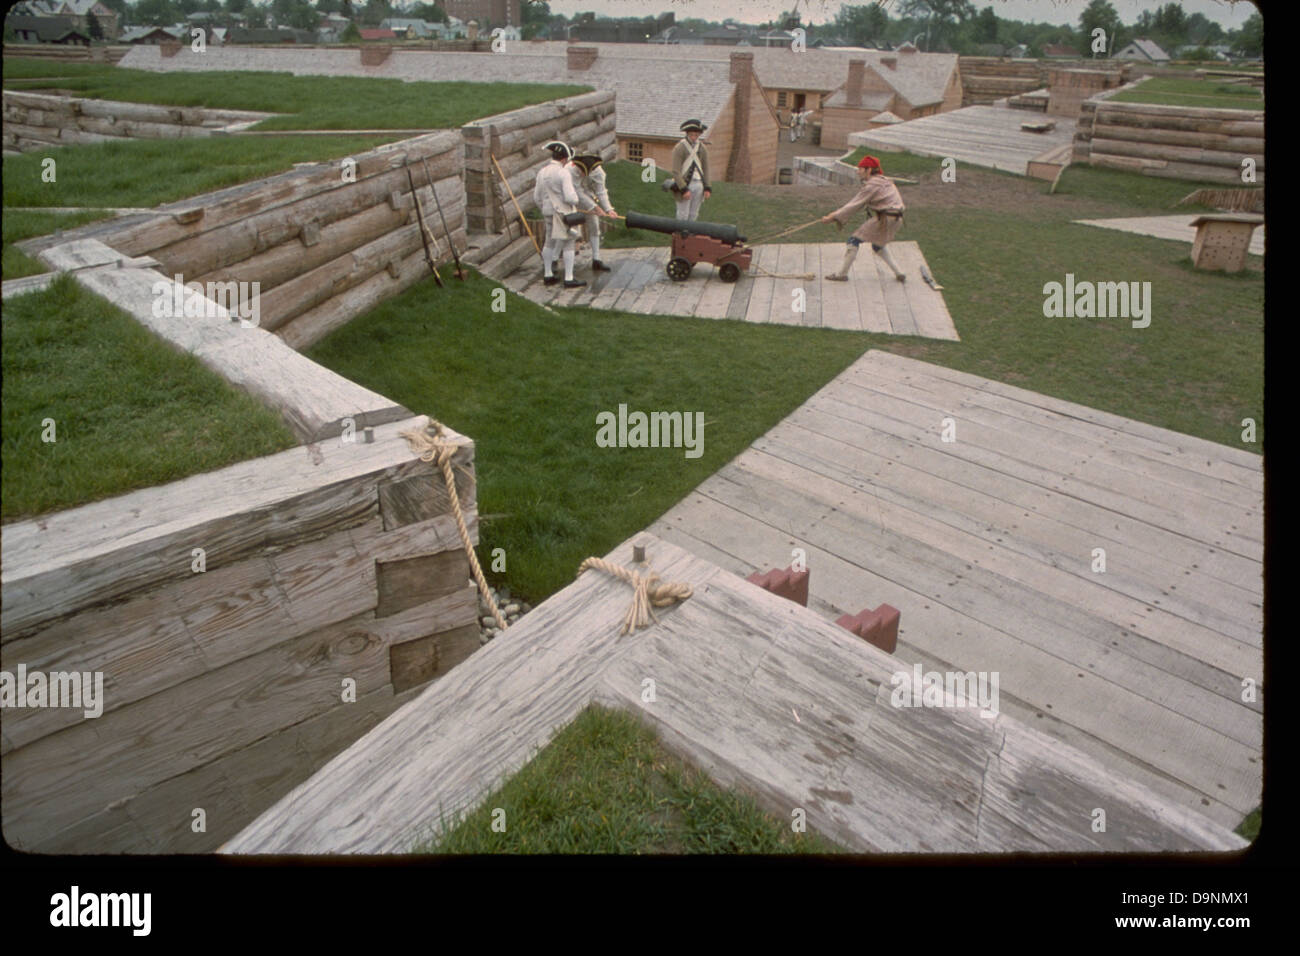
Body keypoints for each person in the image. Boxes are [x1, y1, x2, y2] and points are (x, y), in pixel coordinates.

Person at [820, 154, 907, 283]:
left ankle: (841, 274)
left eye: (861, 168)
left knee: (853, 240)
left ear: (869, 170)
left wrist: (833, 217)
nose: (858, 171)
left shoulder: (872, 185)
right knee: (878, 245)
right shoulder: (885, 181)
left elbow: (854, 205)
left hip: (886, 218)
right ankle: (899, 272)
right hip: (896, 219)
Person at [533, 139, 585, 288]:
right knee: (569, 242)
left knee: (548, 241)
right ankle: (569, 278)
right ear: (563, 158)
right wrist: (575, 199)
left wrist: (545, 208)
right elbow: (570, 197)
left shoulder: (542, 172)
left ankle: (548, 275)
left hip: (548, 212)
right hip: (563, 214)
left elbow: (536, 197)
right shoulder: (563, 173)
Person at [570, 154, 617, 271]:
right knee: (569, 230)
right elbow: (578, 192)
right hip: (571, 198)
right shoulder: (571, 170)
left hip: (589, 197)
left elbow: (601, 191)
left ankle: (596, 259)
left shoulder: (599, 173)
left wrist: (608, 209)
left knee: (595, 227)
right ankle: (558, 261)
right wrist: (595, 207)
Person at [670, 118, 711, 222]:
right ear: (687, 133)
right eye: (692, 134)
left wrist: (707, 187)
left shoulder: (702, 148)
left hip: (699, 184)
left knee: (694, 214)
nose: (694, 137)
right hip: (685, 184)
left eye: (696, 135)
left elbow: (705, 168)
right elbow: (676, 171)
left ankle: (690, 235)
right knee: (683, 214)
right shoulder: (680, 148)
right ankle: (680, 235)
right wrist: (683, 189)